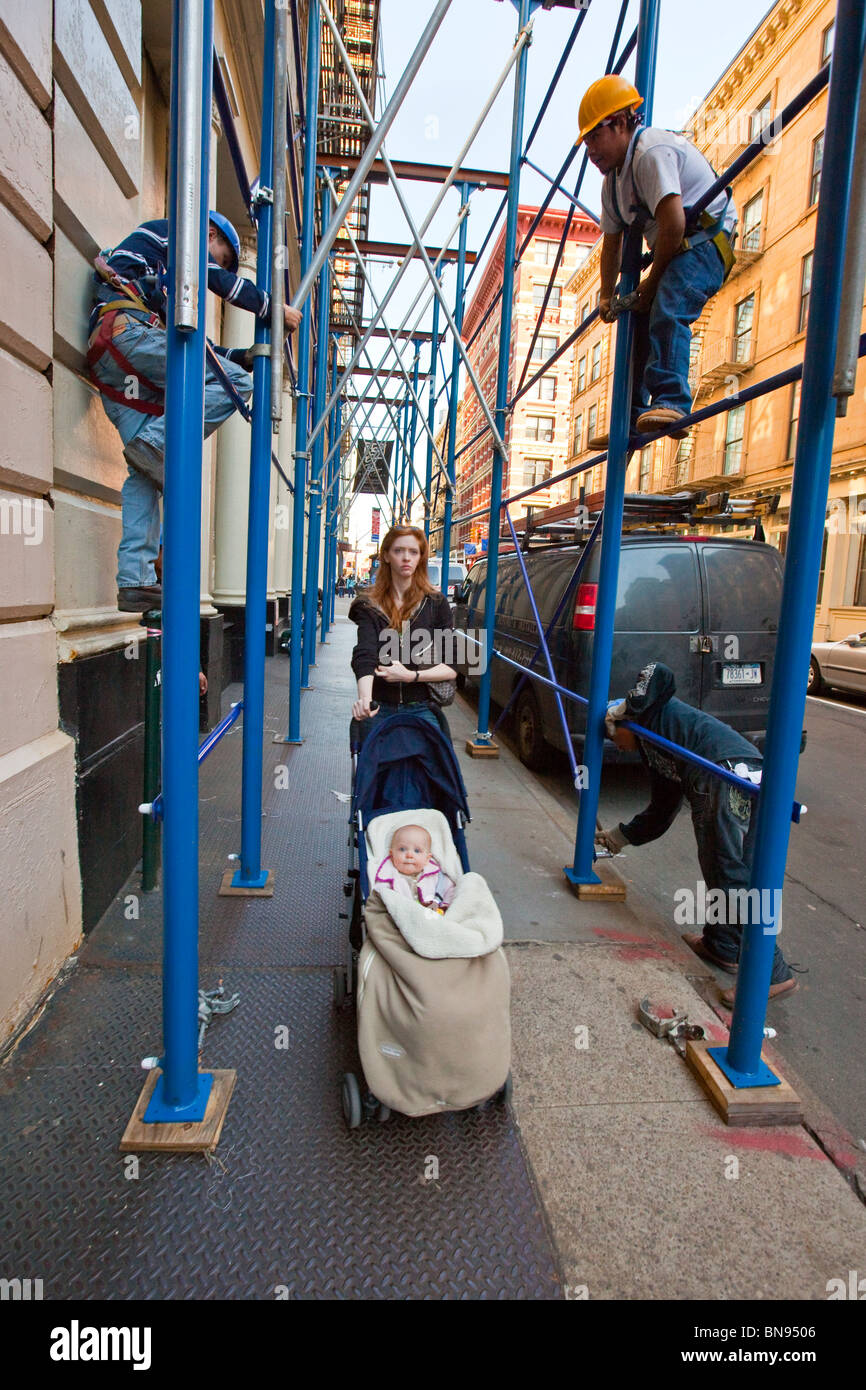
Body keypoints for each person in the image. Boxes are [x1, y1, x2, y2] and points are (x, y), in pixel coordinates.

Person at [87, 213, 302, 612]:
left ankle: (134, 579)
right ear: (209, 234)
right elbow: (218, 282)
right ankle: (156, 444)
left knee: (144, 473)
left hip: (112, 360)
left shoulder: (158, 279)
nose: (215, 267)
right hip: (127, 336)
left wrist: (238, 356)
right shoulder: (178, 232)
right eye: (220, 256)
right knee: (238, 385)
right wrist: (272, 309)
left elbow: (192, 349)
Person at [595, 661, 798, 1004]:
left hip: (723, 774)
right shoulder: (659, 746)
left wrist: (628, 706)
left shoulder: (654, 713)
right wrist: (619, 837)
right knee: (728, 870)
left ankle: (771, 971)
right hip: (740, 770)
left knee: (729, 874)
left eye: (614, 735)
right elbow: (660, 813)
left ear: (625, 720)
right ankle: (723, 945)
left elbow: (659, 673)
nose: (617, 745)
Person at [576, 74, 736, 449]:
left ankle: (672, 401)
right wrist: (605, 295)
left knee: (669, 305)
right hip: (676, 247)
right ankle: (630, 419)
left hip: (705, 241)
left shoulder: (649, 152)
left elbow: (675, 224)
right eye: (586, 143)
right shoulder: (612, 185)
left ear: (618, 123)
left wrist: (649, 285)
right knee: (635, 328)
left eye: (594, 137)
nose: (590, 151)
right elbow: (612, 243)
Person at [349, 525, 456, 741]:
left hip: (422, 708)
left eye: (413, 552)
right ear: (387, 556)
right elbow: (365, 654)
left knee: (437, 768)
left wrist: (411, 676)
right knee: (372, 770)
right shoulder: (368, 605)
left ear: (420, 558)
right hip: (380, 706)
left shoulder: (436, 603)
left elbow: (451, 667)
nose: (406, 557)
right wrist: (365, 700)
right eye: (399, 551)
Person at [372, 823, 456, 913]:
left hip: (432, 915)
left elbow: (450, 890)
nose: (409, 855)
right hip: (402, 916)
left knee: (469, 881)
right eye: (402, 849)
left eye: (417, 851)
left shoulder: (436, 876)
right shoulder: (387, 877)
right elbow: (380, 896)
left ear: (427, 858)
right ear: (392, 855)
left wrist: (445, 905)